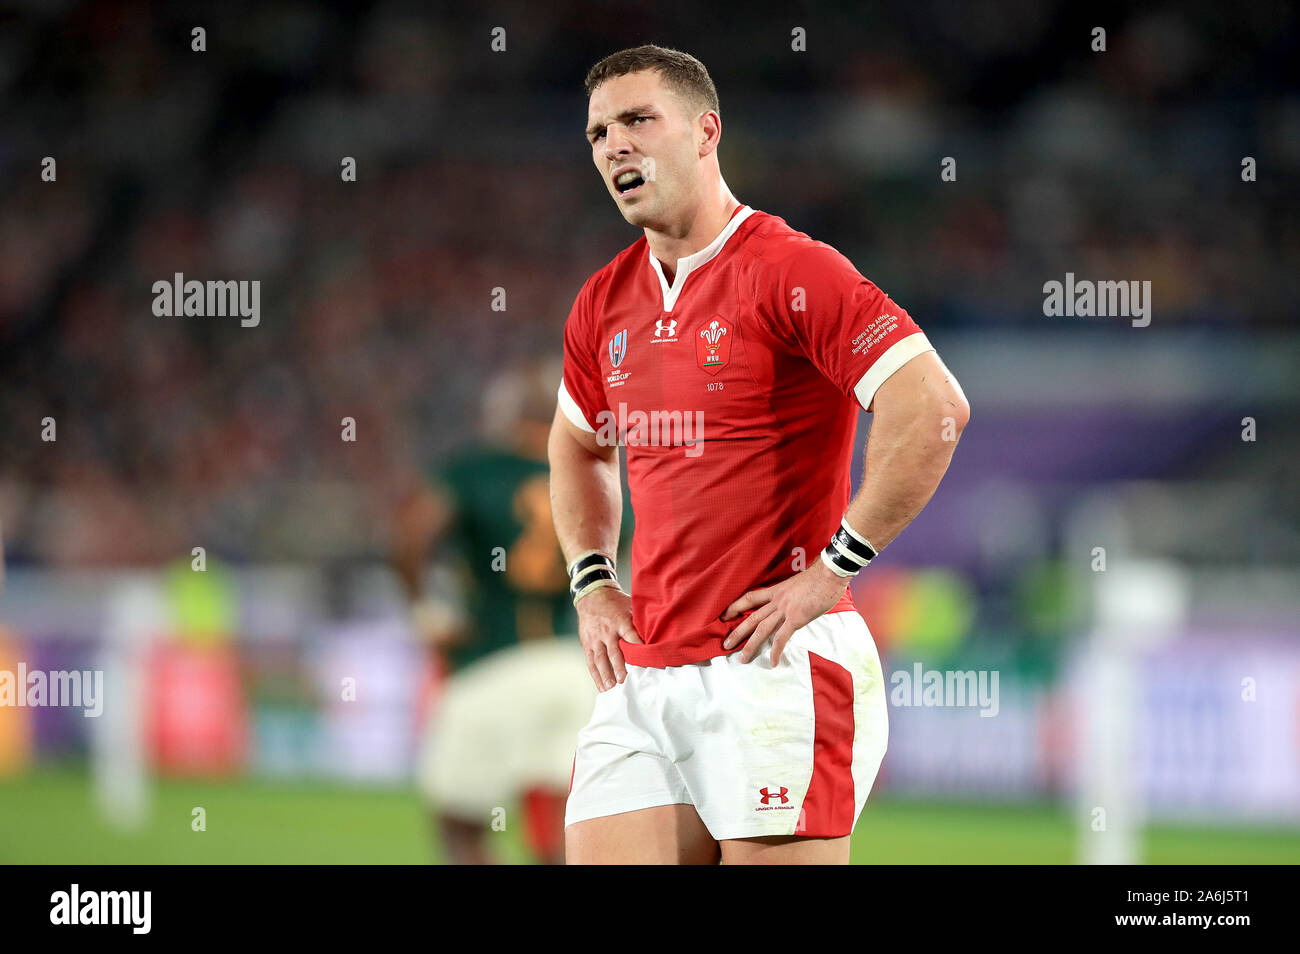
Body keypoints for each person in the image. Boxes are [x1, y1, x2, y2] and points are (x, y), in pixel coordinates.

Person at [550, 45, 970, 864]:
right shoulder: (604, 300)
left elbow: (934, 406)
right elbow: (576, 442)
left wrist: (833, 569)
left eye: (638, 120)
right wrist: (593, 580)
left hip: (774, 665)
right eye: (599, 132)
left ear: (706, 132)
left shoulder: (790, 270)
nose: (614, 145)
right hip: (645, 674)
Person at [395, 357, 595, 864]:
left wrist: (427, 611)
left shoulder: (475, 470)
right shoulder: (590, 472)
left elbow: (411, 536)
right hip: (572, 666)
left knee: (460, 822)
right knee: (565, 823)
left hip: (491, 663)